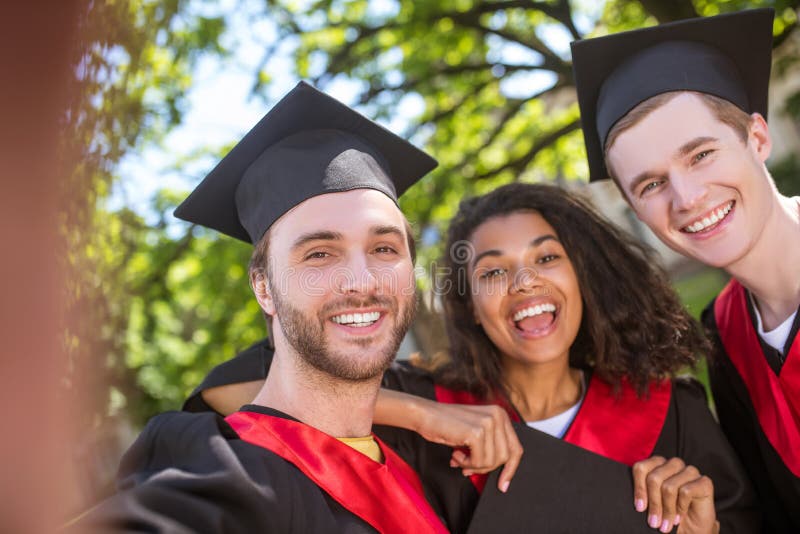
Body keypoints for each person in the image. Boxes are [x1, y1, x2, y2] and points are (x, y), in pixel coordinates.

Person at [187, 183, 759, 533]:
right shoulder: (426, 406)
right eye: (492, 271)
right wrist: (420, 414)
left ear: (583, 276)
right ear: (470, 306)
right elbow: (229, 392)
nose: (525, 282)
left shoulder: (669, 409)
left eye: (547, 257)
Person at [70, 81, 449, 533]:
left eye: (384, 248)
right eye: (319, 254)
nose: (362, 280)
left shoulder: (420, 461)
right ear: (264, 288)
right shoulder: (232, 473)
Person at [571, 8, 800, 532]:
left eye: (700, 154)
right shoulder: (726, 336)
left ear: (757, 138)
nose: (688, 198)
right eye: (650, 185)